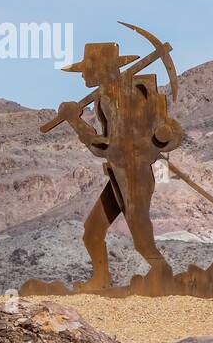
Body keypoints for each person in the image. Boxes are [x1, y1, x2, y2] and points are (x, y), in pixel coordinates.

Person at [55, 42, 184, 290]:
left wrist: (75, 122)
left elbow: (110, 147)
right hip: (120, 172)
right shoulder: (108, 97)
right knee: (92, 231)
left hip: (134, 174)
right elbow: (110, 148)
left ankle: (162, 274)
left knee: (140, 234)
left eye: (86, 69)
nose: (83, 74)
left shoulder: (122, 96)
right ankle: (100, 280)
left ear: (100, 68)